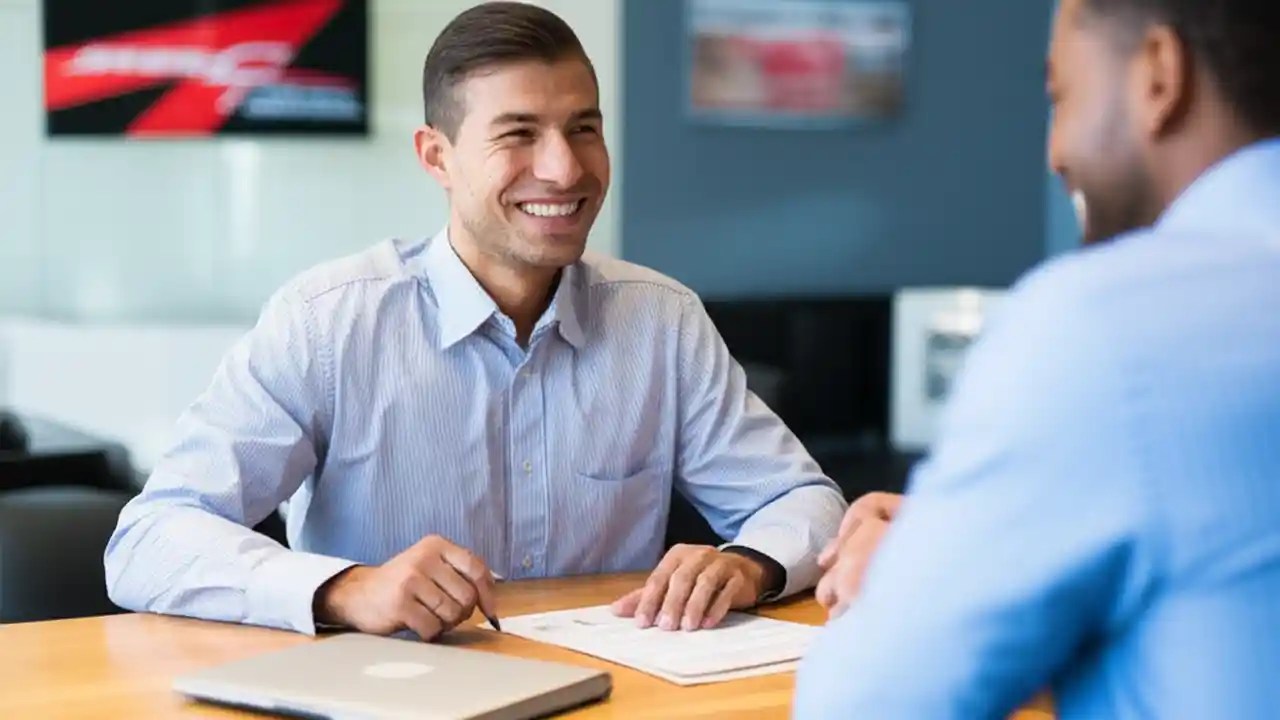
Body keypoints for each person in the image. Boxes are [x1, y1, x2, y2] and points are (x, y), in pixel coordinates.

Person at [104, 1, 846, 642]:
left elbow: (803, 503)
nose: (564, 169)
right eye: (518, 134)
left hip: (616, 690)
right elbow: (149, 540)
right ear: (438, 156)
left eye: (583, 128)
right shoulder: (327, 323)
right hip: (388, 694)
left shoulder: (662, 320)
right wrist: (342, 588)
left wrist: (747, 566)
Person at [795, 0, 1280, 717]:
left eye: (1062, 96)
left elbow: (868, 705)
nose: (1055, 151)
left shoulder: (1109, 325)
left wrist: (915, 573)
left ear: (1159, 74)